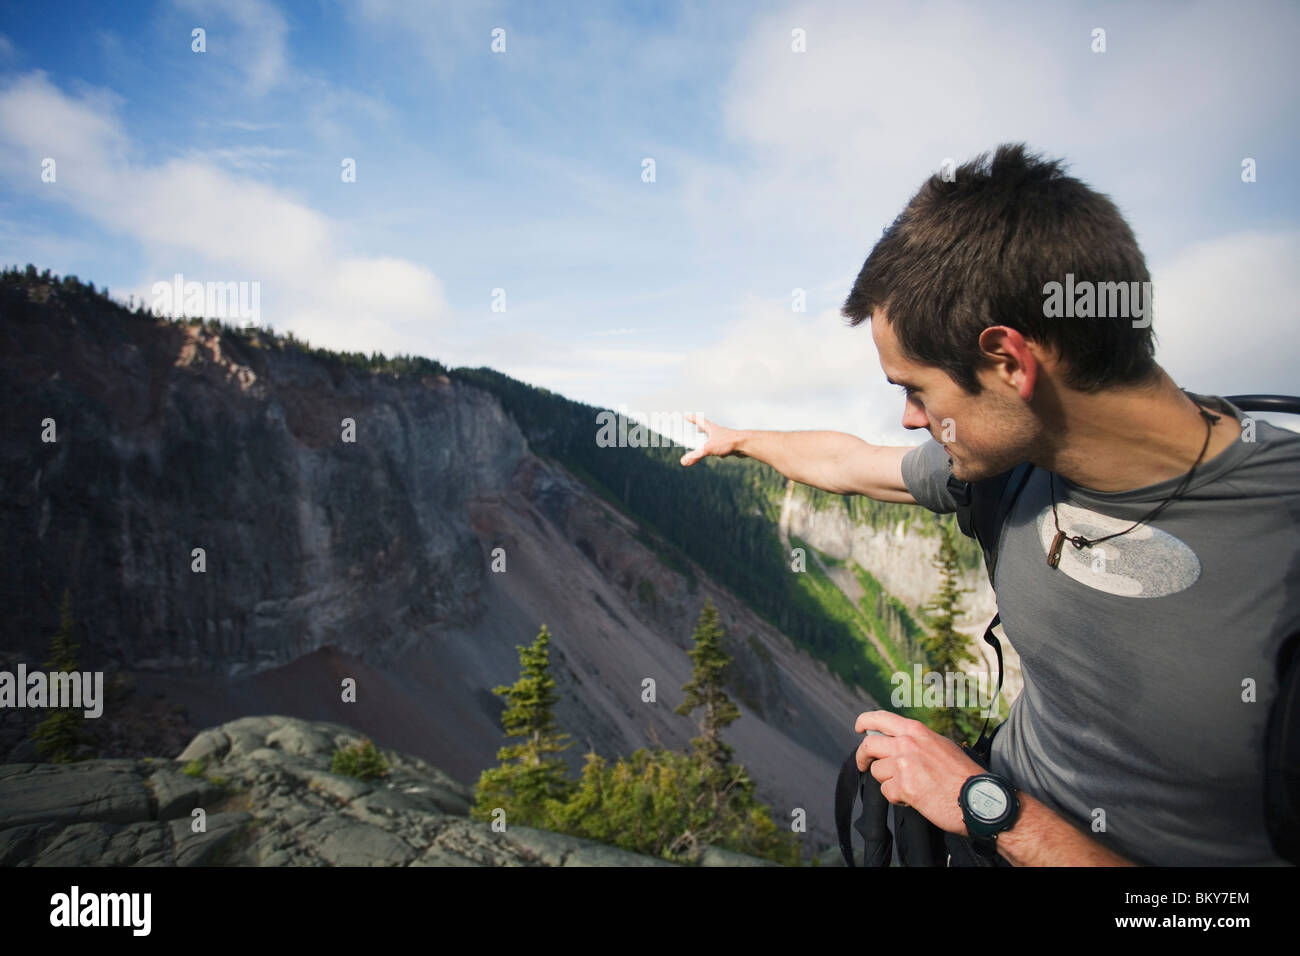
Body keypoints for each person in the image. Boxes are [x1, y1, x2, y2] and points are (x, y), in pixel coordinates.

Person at [680, 143, 1300, 866]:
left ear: (1009, 363)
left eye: (917, 389)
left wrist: (989, 808)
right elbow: (853, 464)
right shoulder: (1009, 469)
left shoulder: (1281, 547)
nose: (912, 420)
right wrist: (742, 439)